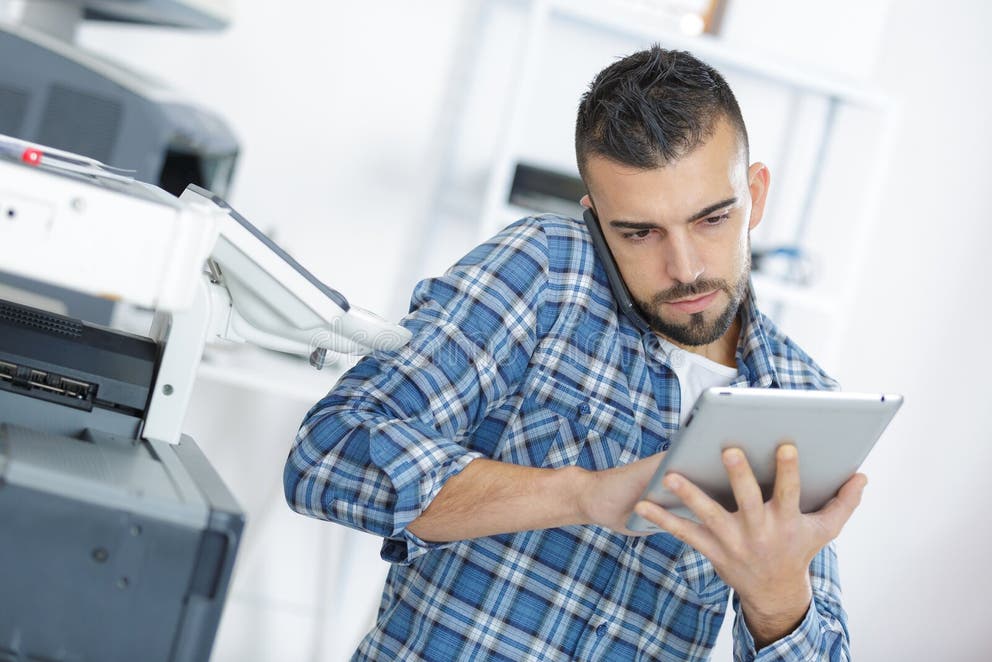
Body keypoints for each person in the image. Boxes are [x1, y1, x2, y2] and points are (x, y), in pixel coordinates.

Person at [284, 45, 866, 661]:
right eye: (640, 232)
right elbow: (327, 454)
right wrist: (581, 494)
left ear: (755, 195)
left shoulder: (801, 396)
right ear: (595, 220)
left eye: (712, 219)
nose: (686, 268)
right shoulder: (545, 273)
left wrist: (777, 598)